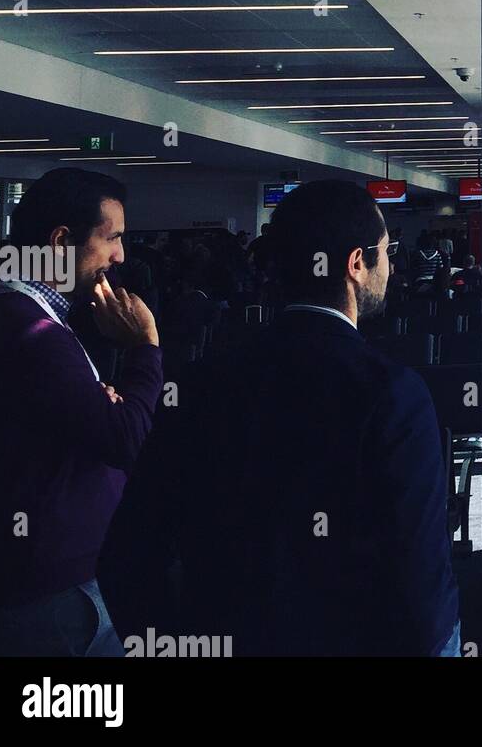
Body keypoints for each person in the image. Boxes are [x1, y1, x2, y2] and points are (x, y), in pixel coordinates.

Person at [100, 180, 459, 657]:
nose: (390, 266)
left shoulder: (203, 382)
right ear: (357, 264)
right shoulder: (393, 394)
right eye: (385, 251)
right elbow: (420, 584)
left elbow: (130, 553)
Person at [0, 168, 162, 657]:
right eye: (112, 237)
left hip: (42, 577)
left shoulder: (27, 320)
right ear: (61, 241)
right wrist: (145, 347)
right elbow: (123, 438)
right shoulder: (29, 331)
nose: (120, 255)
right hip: (54, 595)